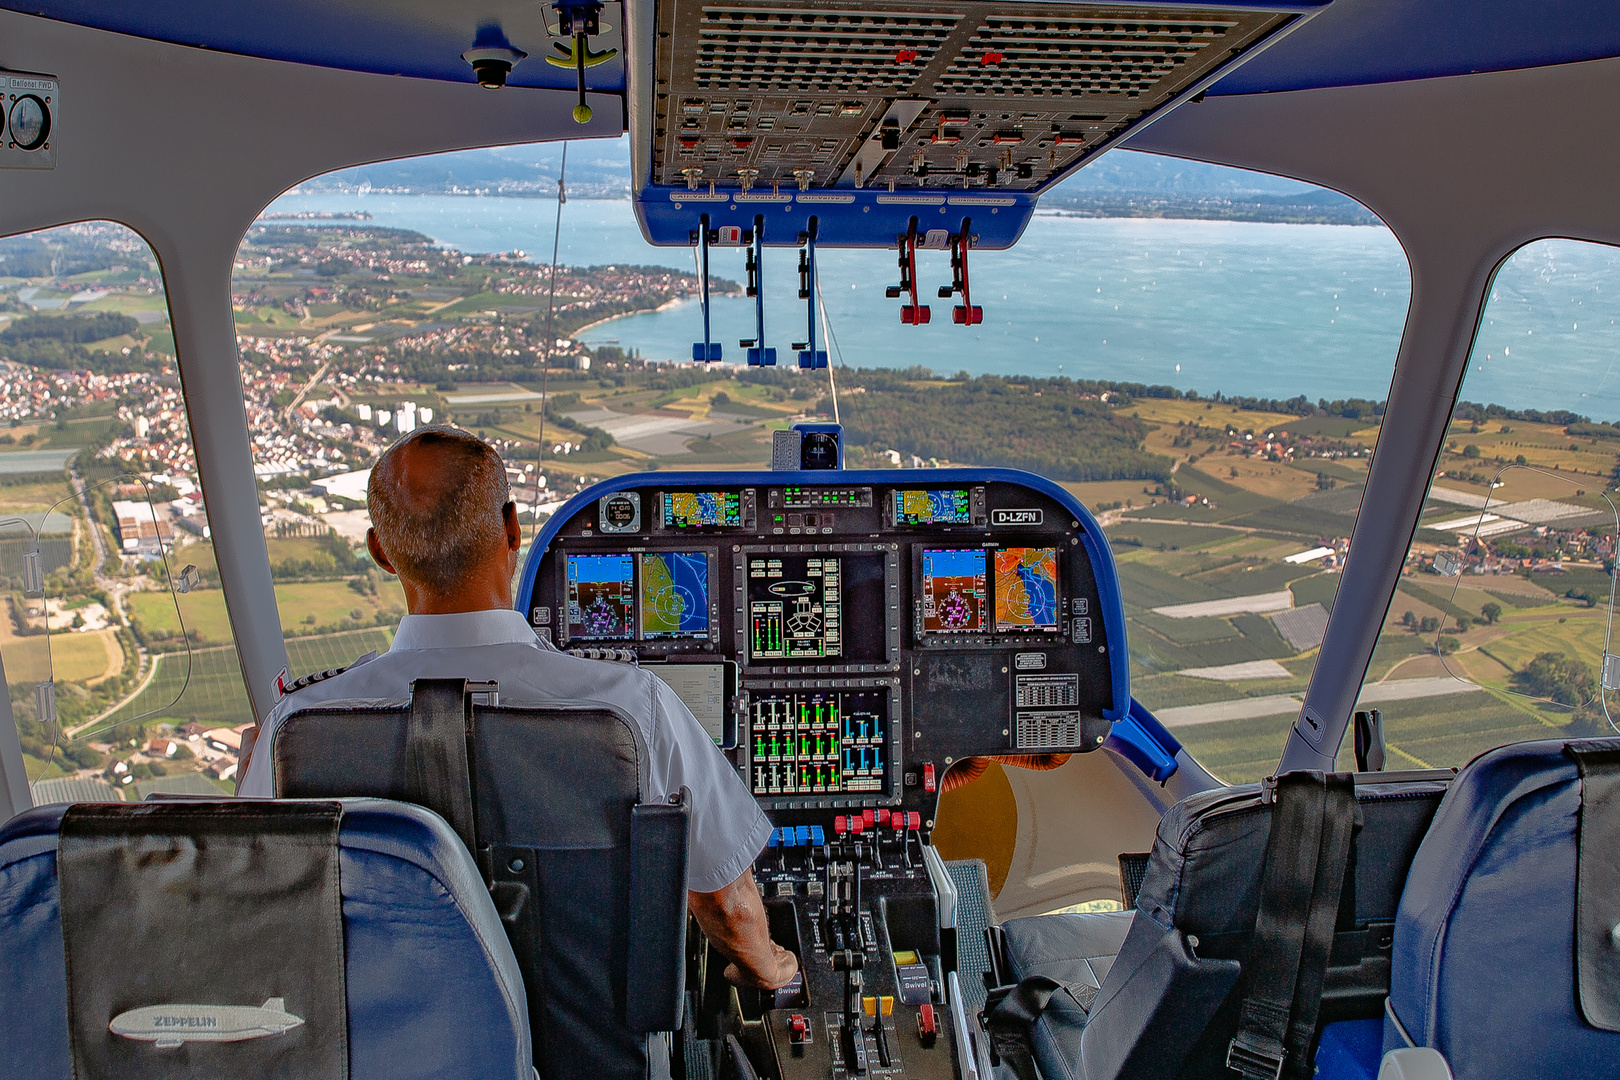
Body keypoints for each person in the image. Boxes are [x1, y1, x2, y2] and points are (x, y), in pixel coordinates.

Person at [237, 425, 797, 990]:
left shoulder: (294, 731)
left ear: (381, 552)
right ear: (511, 530)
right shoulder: (632, 707)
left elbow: (257, 908)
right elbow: (727, 905)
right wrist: (769, 970)